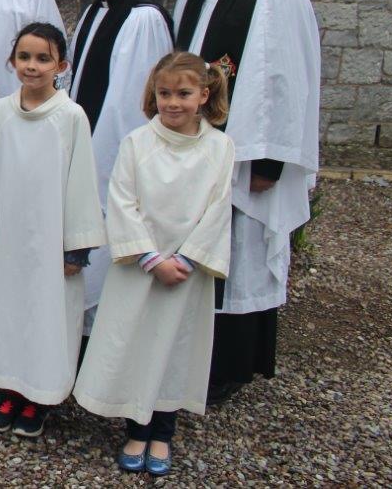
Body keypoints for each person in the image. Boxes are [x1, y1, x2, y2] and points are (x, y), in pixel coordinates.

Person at [172, 0, 320, 400]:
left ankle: (230, 367)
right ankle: (190, 352)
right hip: (196, 149)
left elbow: (283, 81)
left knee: (238, 254)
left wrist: (269, 163)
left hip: (247, 156)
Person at [74, 52, 234, 477]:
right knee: (137, 344)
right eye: (164, 93)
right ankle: (136, 428)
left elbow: (219, 207)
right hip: (141, 266)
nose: (173, 103)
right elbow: (121, 200)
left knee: (174, 347)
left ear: (204, 94)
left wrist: (184, 258)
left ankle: (163, 432)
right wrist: (150, 257)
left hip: (185, 271)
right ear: (153, 94)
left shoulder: (220, 148)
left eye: (183, 93)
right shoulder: (137, 143)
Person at [0, 23, 104, 438]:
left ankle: (37, 398)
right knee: (8, 313)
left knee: (45, 315)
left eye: (43, 58)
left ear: (61, 64)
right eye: (24, 57)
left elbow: (81, 180)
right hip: (9, 238)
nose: (32, 66)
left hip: (52, 241)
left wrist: (76, 249)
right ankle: (7, 390)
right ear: (11, 61)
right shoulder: (2, 112)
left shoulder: (71, 116)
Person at [67, 0, 174, 331]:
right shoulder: (98, 9)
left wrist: (96, 159)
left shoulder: (141, 18)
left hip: (110, 155)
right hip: (85, 143)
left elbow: (128, 104)